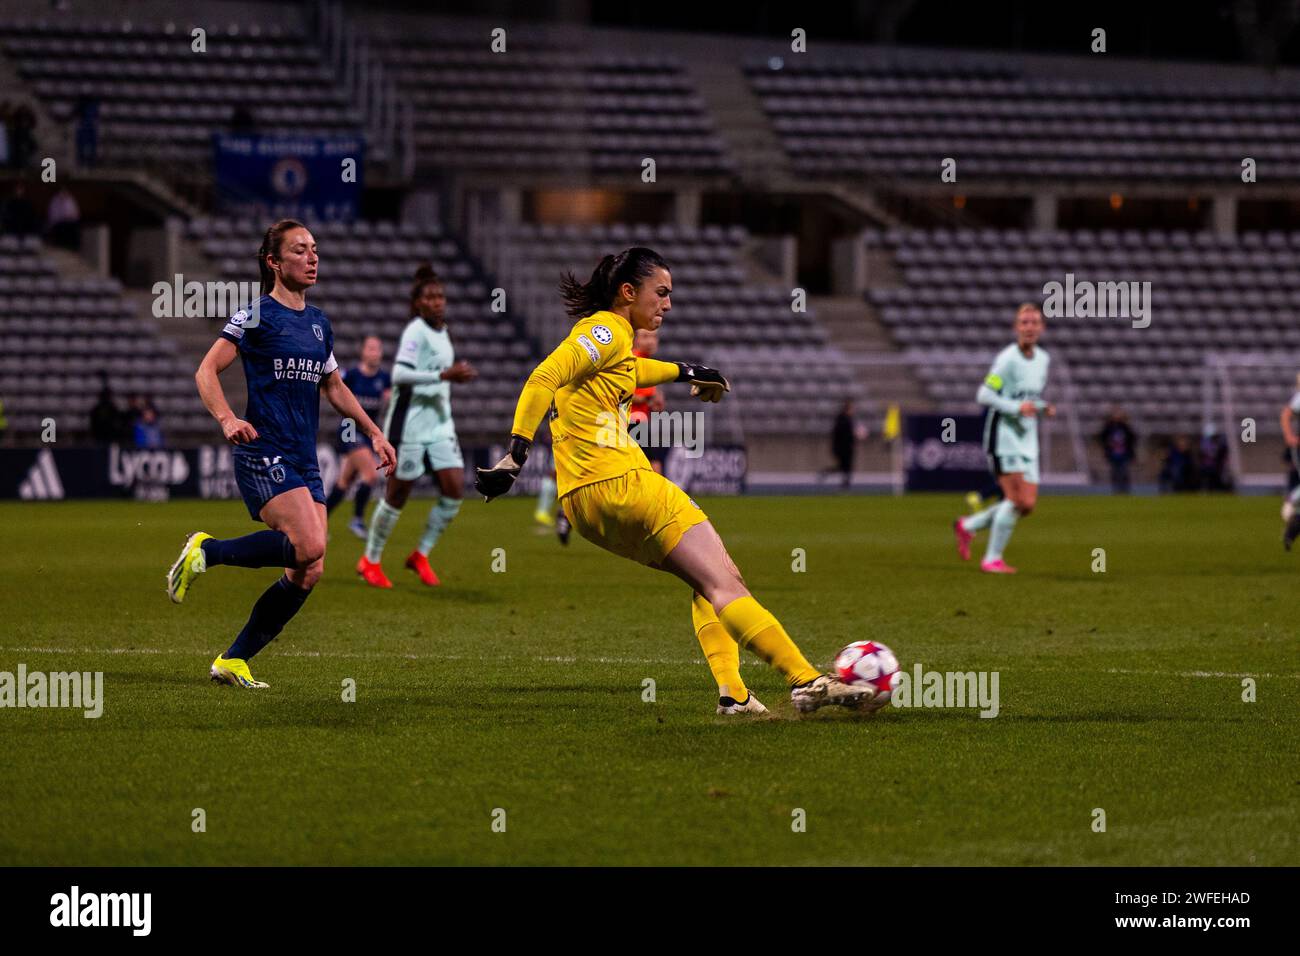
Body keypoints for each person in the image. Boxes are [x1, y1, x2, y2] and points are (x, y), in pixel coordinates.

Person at [474, 246, 870, 716]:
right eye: (660, 293)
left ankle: (734, 696)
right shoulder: (603, 330)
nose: (667, 304)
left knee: (709, 582)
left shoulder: (616, 342)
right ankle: (806, 680)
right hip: (623, 483)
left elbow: (632, 370)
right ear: (628, 292)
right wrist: (516, 453)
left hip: (584, 506)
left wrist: (688, 372)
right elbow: (543, 376)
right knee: (727, 586)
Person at [166, 219, 396, 688]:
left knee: (309, 570)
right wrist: (228, 419)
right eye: (299, 250)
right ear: (274, 262)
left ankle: (233, 659)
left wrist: (373, 430)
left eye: (314, 248)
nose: (312, 257)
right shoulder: (255, 315)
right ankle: (206, 551)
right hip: (262, 449)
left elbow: (333, 385)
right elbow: (206, 370)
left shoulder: (318, 324)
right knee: (311, 544)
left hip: (304, 458)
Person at [357, 265, 477, 588]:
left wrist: (449, 379)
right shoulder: (415, 331)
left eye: (440, 296)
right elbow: (399, 376)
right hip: (408, 424)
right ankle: (370, 559)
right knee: (397, 496)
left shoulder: (444, 331)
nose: (437, 302)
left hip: (440, 426)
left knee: (454, 491)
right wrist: (443, 376)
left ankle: (420, 554)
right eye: (430, 297)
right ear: (418, 303)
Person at [953, 303, 1054, 574]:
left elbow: (1028, 397)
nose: (1030, 327)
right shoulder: (1007, 360)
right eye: (1024, 322)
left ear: (1042, 328)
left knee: (1027, 505)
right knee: (1016, 500)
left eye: (1034, 322)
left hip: (1028, 438)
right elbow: (985, 395)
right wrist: (1015, 408)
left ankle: (967, 526)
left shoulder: (1044, 360)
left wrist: (1043, 407)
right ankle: (991, 559)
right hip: (1004, 437)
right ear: (1016, 328)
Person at [325, 334, 391, 538]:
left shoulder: (384, 379)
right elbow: (331, 389)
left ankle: (319, 521)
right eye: (371, 348)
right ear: (363, 352)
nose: (374, 353)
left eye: (378, 349)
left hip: (366, 433)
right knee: (370, 475)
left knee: (344, 482)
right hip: (349, 429)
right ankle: (357, 521)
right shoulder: (351, 375)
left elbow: (388, 404)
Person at [629, 327, 668, 474]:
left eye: (654, 337)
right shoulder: (633, 360)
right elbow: (621, 393)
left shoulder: (647, 361)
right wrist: (651, 398)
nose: (651, 341)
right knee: (654, 466)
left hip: (638, 422)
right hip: (631, 421)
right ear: (635, 340)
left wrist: (654, 401)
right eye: (645, 337)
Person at [1097, 407, 1136, 493]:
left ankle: (1125, 489)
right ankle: (1116, 489)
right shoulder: (1109, 427)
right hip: (1113, 454)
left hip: (1124, 454)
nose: (1117, 417)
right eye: (1115, 415)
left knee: (1124, 472)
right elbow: (1102, 437)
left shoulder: (1125, 427)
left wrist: (1131, 452)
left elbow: (1132, 439)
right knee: (1114, 472)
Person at [821, 399, 855, 488]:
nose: (852, 411)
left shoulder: (845, 419)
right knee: (845, 466)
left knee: (845, 467)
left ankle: (844, 483)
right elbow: (843, 434)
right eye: (851, 409)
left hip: (845, 447)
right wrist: (855, 434)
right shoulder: (843, 420)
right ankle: (844, 483)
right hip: (843, 448)